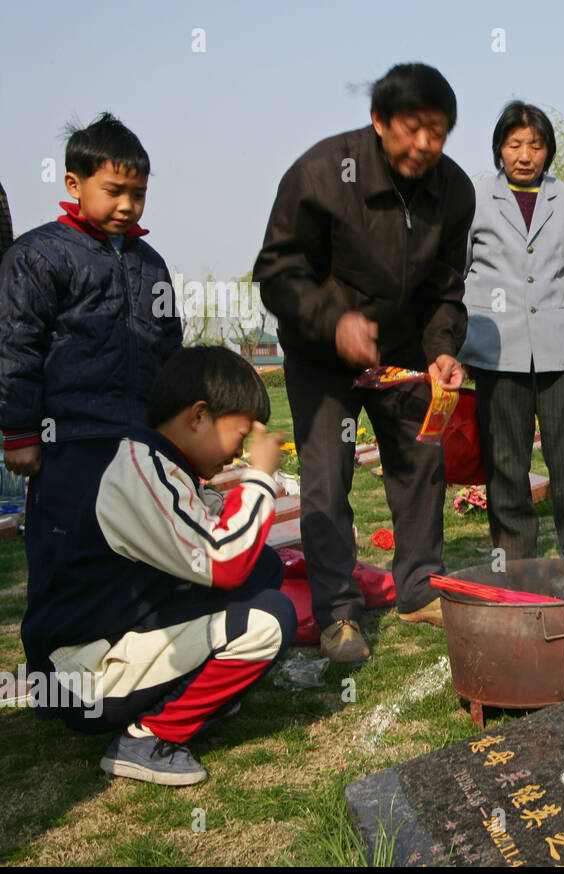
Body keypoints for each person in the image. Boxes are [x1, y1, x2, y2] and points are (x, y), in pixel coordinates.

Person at [254, 63, 476, 663]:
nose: (425, 145)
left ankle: (420, 589)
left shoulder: (454, 190)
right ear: (378, 121)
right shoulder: (324, 173)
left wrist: (443, 349)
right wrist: (334, 323)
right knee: (327, 475)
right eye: (411, 128)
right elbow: (276, 270)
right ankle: (339, 615)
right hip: (323, 355)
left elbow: (445, 289)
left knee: (422, 463)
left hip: (404, 355)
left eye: (439, 131)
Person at [22, 347, 296, 786]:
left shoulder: (154, 458)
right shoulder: (138, 467)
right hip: (84, 677)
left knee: (263, 568)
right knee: (270, 619)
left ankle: (188, 695)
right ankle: (148, 738)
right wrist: (260, 478)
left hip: (108, 638)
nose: (240, 452)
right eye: (239, 435)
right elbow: (223, 561)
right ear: (198, 416)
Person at [459, 102, 564, 560]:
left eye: (536, 145)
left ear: (548, 151)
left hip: (563, 353)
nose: (525, 155)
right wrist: (458, 342)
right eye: (514, 144)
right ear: (499, 149)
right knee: (505, 464)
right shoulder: (476, 199)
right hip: (496, 351)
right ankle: (513, 560)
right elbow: (455, 272)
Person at [0, 113, 181, 477]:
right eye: (113, 192)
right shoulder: (37, 254)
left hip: (141, 440)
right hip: (68, 441)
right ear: (73, 184)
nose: (127, 205)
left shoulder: (152, 264)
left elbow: (170, 346)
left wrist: (176, 421)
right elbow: (16, 344)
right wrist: (20, 432)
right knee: (68, 532)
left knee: (134, 534)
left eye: (138, 194)